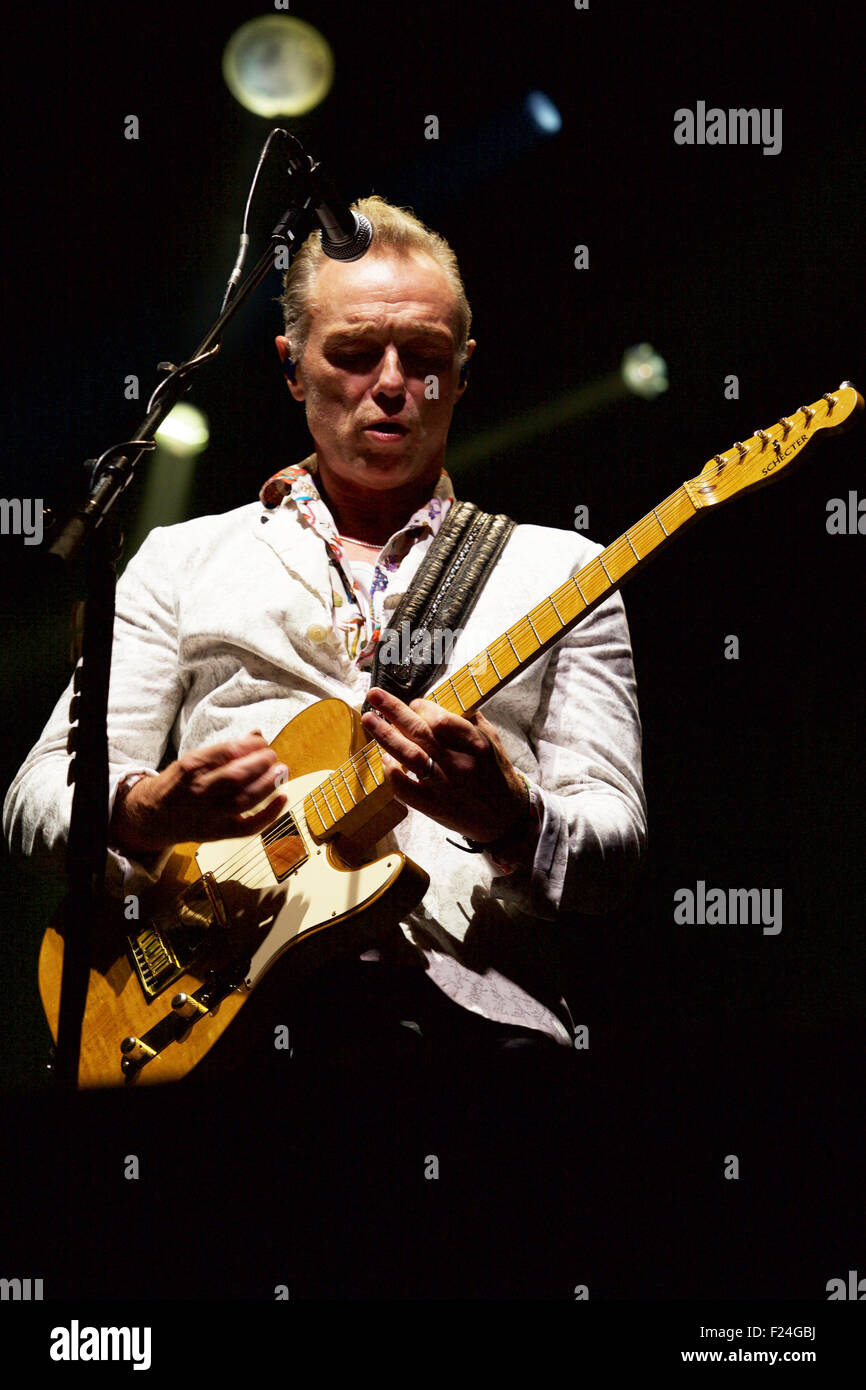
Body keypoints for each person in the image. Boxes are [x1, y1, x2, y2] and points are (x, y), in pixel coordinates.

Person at [4, 196, 646, 1294]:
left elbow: (613, 855)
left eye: (423, 356)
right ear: (292, 367)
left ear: (463, 369)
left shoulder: (561, 572)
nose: (391, 381)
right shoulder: (180, 561)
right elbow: (31, 806)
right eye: (353, 353)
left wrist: (509, 815)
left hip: (474, 1048)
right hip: (214, 1038)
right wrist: (151, 809)